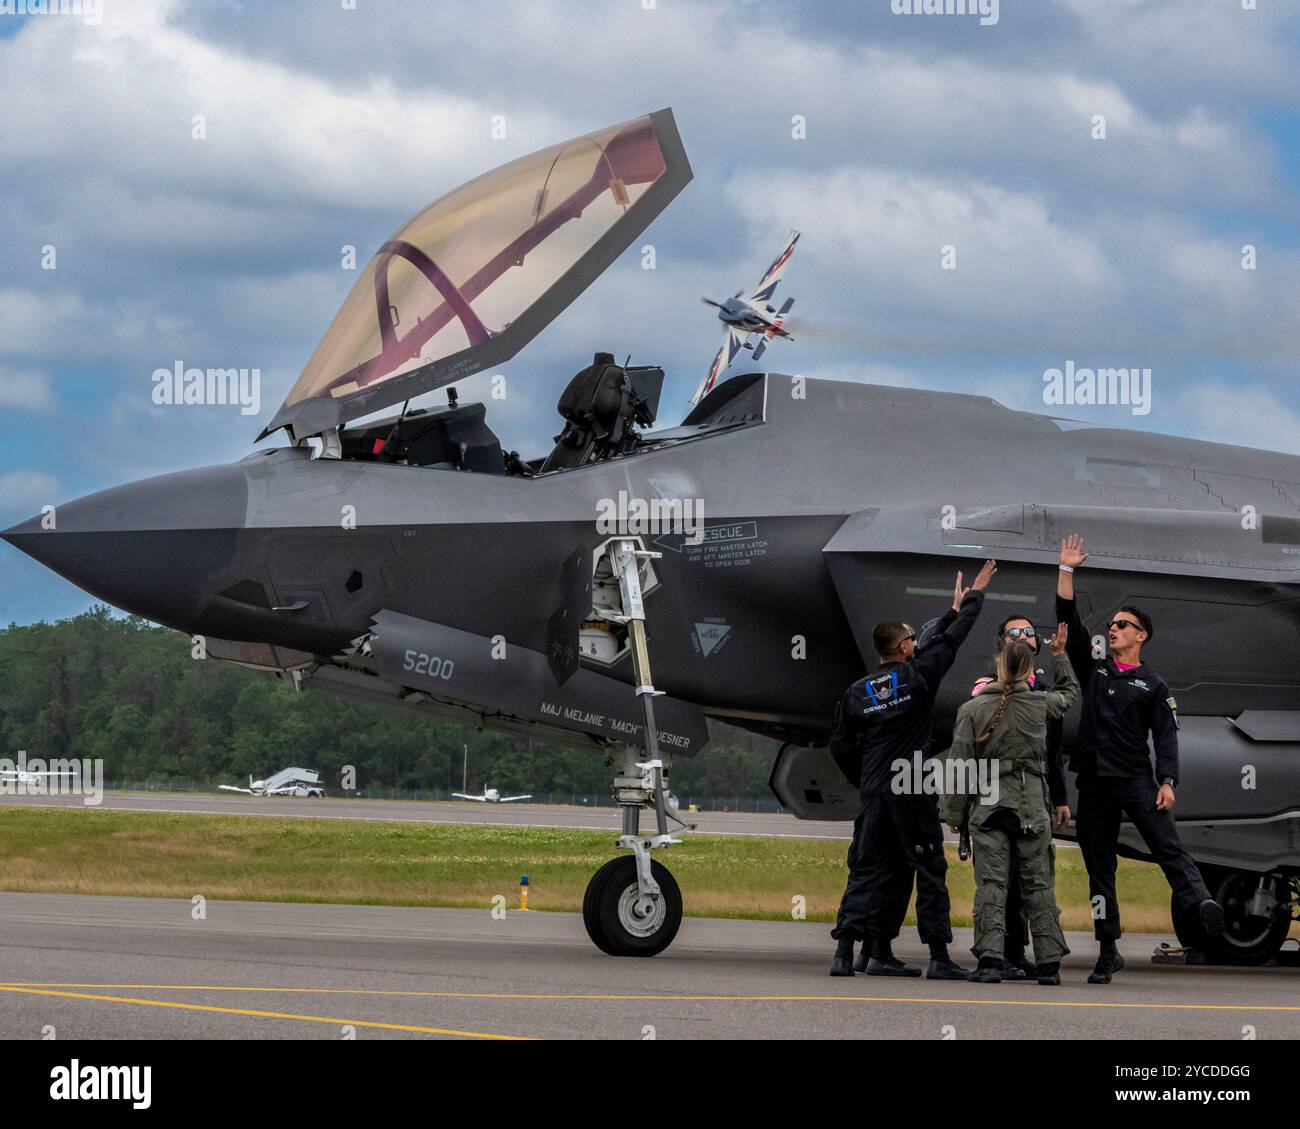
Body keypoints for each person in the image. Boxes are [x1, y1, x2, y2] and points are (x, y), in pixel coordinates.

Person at [1055, 533, 1224, 983]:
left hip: (1134, 779)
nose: (1114, 628)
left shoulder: (1154, 685)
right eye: (1111, 624)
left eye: (1123, 625)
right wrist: (1067, 570)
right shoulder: (1096, 670)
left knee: (1168, 846)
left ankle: (1201, 902)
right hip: (1093, 782)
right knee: (1099, 868)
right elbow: (1067, 618)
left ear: (1141, 635)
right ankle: (1107, 947)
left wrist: (1167, 781)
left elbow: (1167, 737)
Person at [828, 559, 997, 979]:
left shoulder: (857, 692)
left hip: (875, 793)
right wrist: (972, 598)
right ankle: (939, 956)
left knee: (870, 868)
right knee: (928, 868)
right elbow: (951, 641)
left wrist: (864, 777)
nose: (915, 644)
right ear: (904, 647)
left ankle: (851, 952)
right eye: (911, 640)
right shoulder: (918, 678)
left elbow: (840, 743)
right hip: (910, 788)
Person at [942, 629, 1078, 985]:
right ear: (1029, 669)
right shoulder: (1040, 704)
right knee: (1038, 887)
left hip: (989, 805)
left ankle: (989, 961)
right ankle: (1049, 965)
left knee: (991, 886)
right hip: (1031, 804)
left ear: (998, 667)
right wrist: (1060, 654)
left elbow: (959, 765)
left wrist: (954, 815)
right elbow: (1070, 694)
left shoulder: (972, 709)